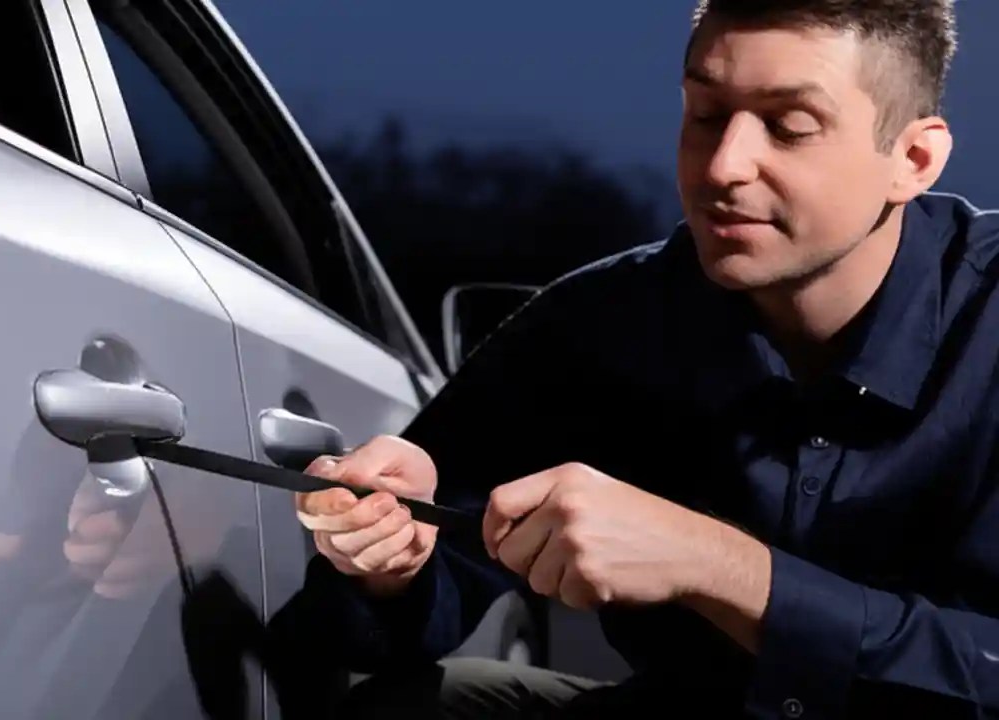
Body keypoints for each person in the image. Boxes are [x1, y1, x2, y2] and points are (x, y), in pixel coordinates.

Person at [271, 0, 999, 717]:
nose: (723, 167)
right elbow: (378, 620)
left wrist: (714, 564)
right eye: (706, 114)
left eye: (789, 126)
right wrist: (390, 563)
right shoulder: (600, 321)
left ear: (913, 159)